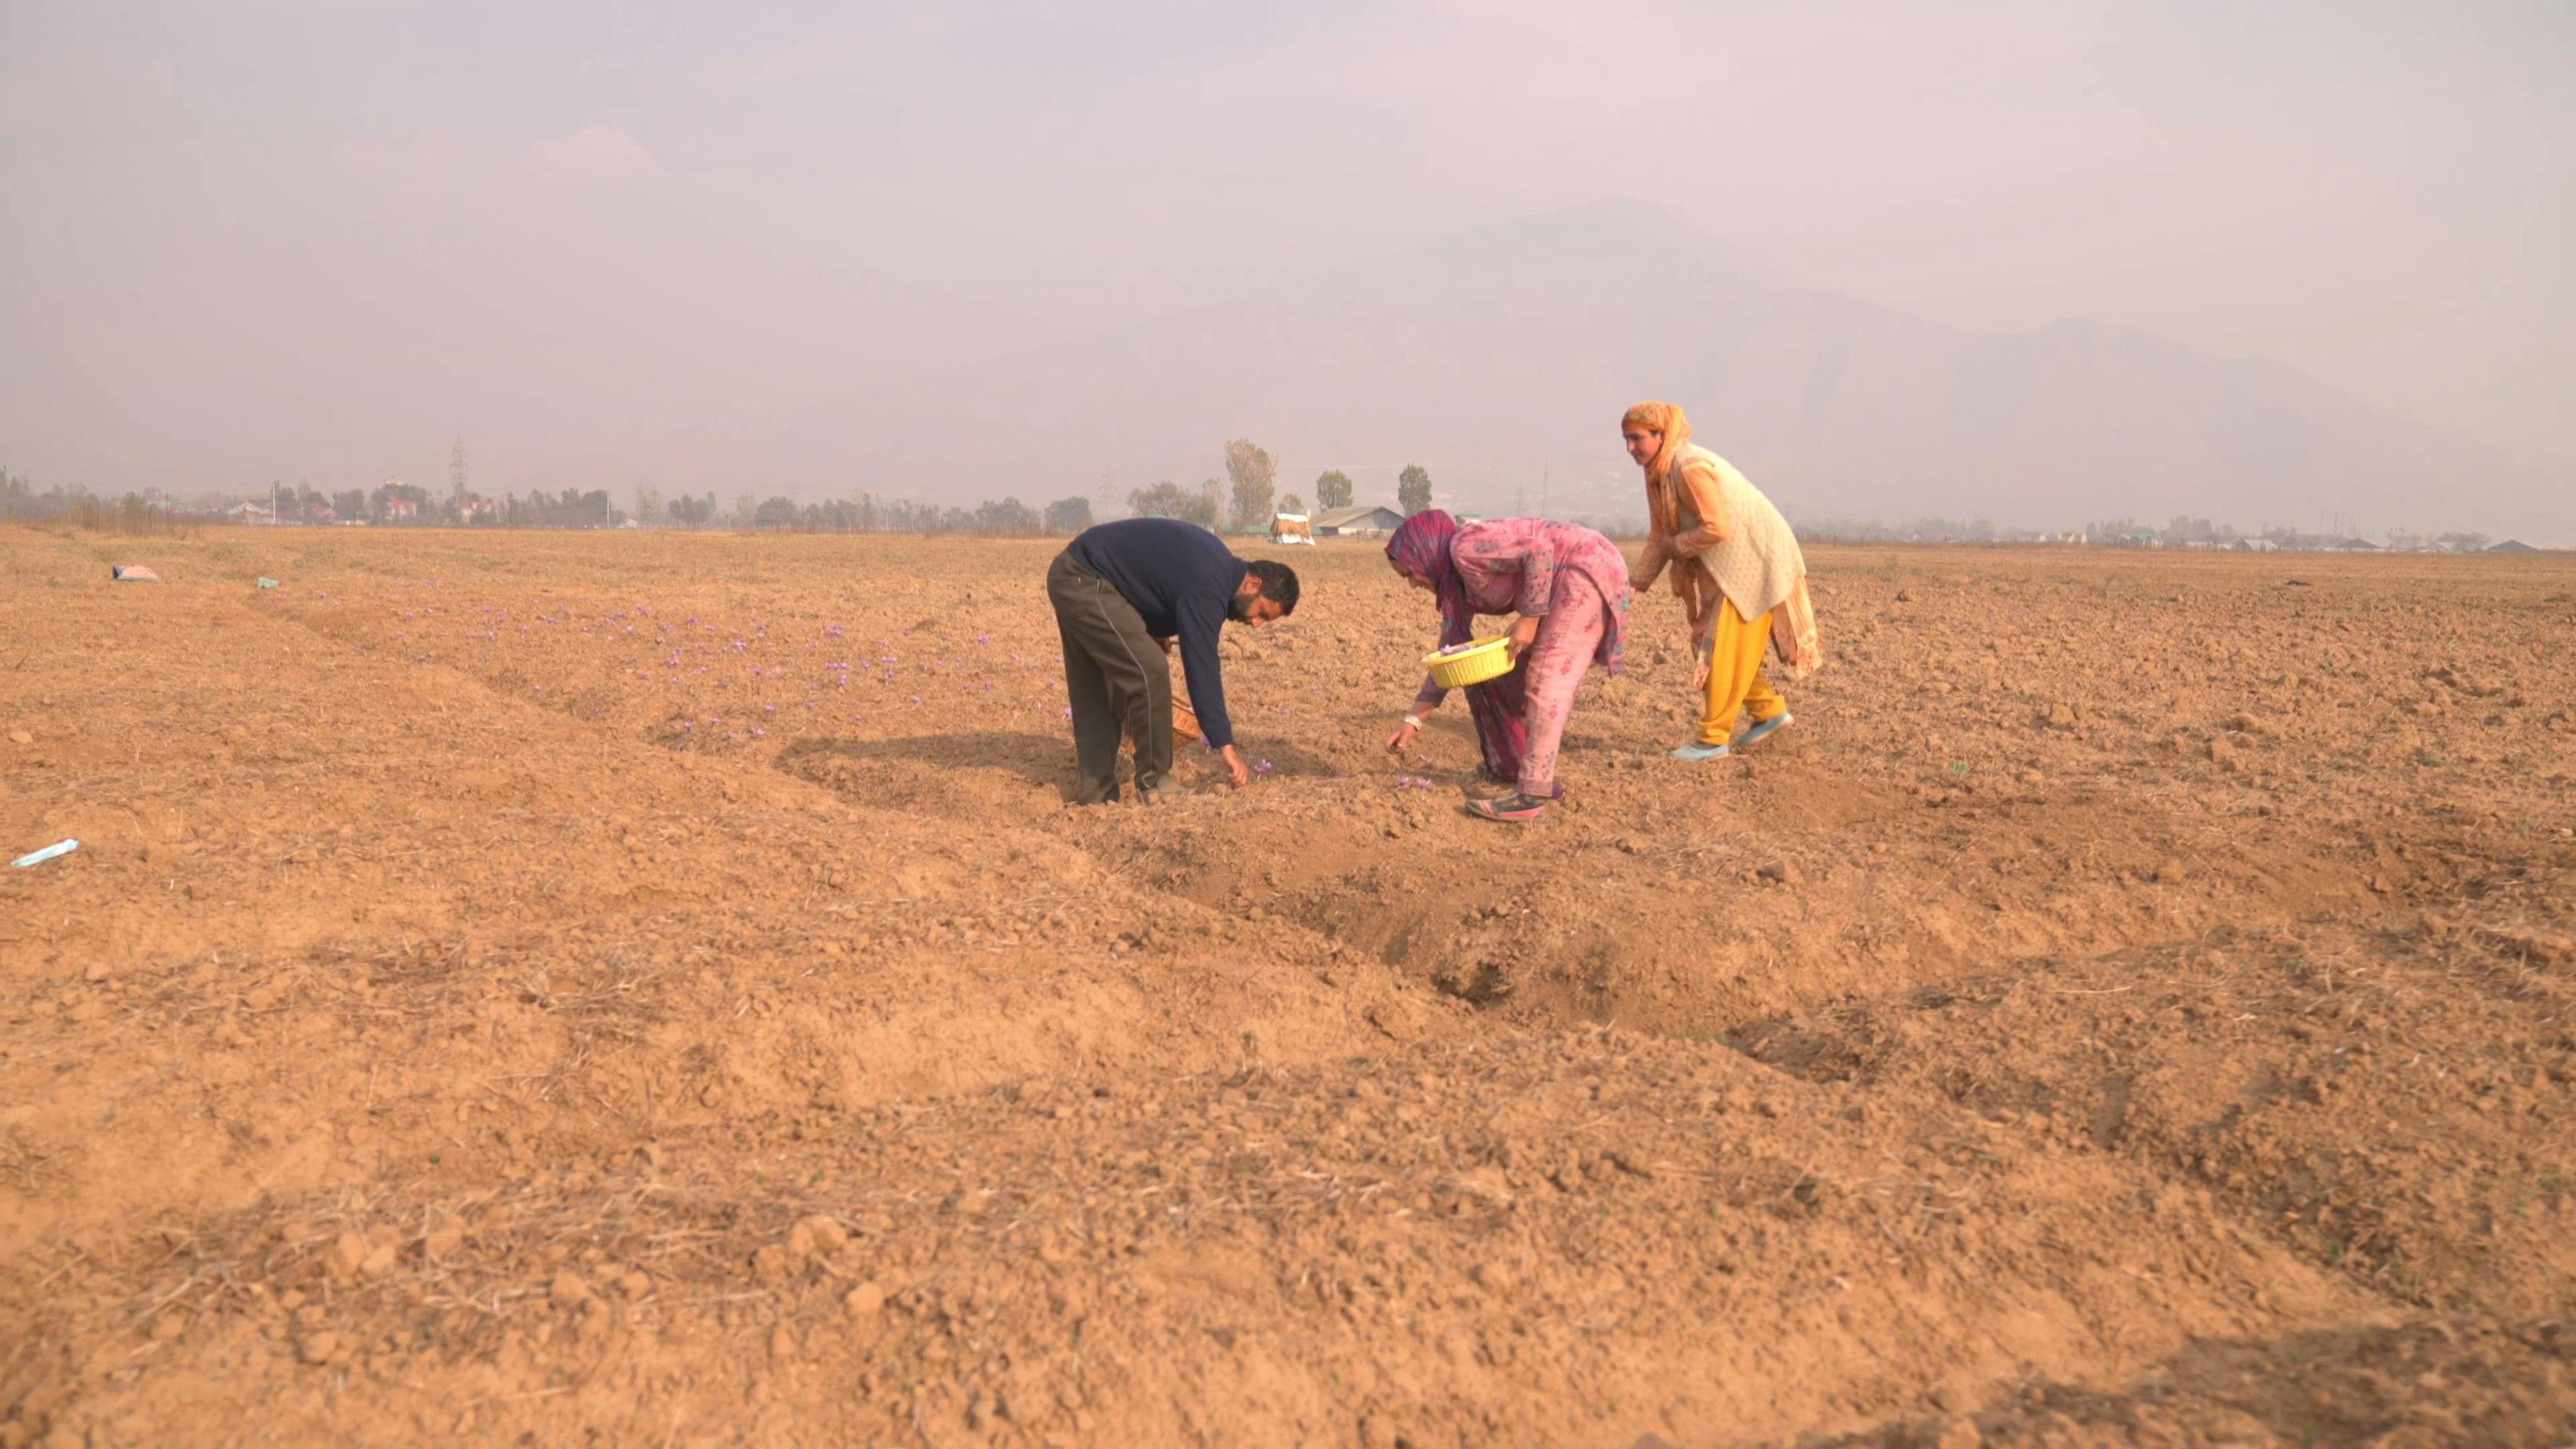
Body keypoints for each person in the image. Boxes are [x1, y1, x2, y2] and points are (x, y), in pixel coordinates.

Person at [1384, 510, 1630, 821]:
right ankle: (1513, 767)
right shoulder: (1454, 587)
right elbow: (1449, 657)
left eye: (1410, 574)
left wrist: (1529, 619)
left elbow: (1538, 551)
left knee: (1546, 679)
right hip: (1560, 585)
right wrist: (1413, 720)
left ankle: (1530, 796)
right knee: (1506, 675)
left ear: (1424, 552)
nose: (1412, 585)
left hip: (1584, 567)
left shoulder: (1464, 547)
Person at [1621, 400, 1823, 760]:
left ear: (1661, 434)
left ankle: (1713, 738)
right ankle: (1768, 712)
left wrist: (1677, 545)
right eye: (1627, 440)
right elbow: (1658, 537)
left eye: (1637, 439)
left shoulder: (1688, 468)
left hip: (1754, 563)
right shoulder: (1659, 473)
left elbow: (1717, 527)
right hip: (1728, 565)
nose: (1630, 449)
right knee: (1712, 643)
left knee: (1719, 648)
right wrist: (1635, 585)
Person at [1048, 517, 1299, 803]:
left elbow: (1150, 580)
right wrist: (1225, 747)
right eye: (1262, 613)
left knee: (1098, 689)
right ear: (1253, 584)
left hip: (1076, 575)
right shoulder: (1210, 585)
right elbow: (1202, 668)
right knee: (1150, 670)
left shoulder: (1217, 568)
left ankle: (1097, 797)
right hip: (1085, 579)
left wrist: (1154, 628)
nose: (1256, 624)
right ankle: (1155, 783)